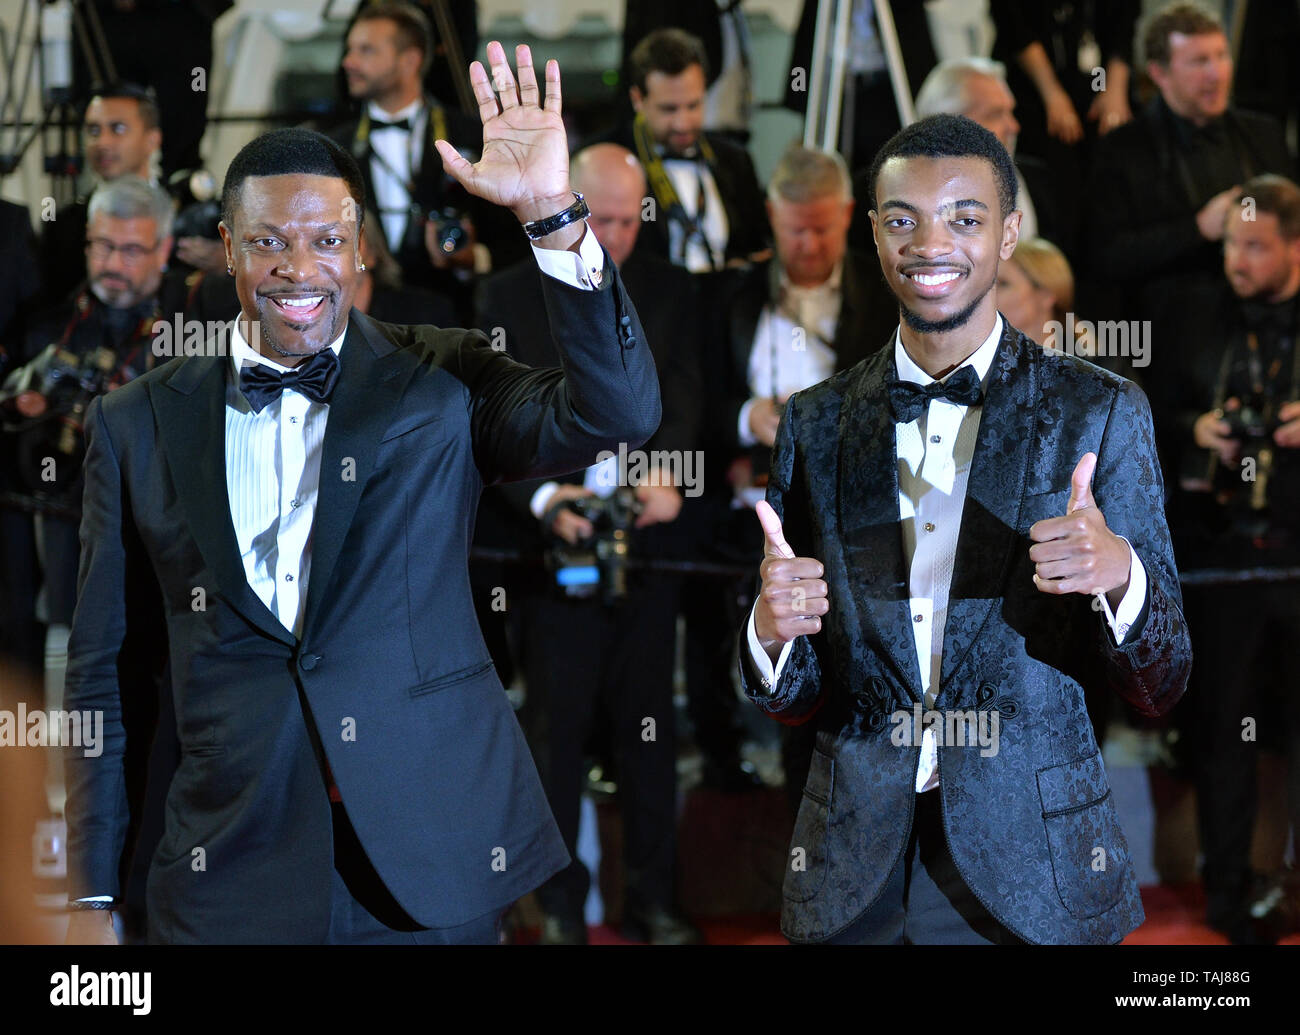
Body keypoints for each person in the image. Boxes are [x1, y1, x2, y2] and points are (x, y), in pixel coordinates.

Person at [62, 43, 661, 946]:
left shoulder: (443, 375)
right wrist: (88, 892)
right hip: (229, 870)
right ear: (226, 247)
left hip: (434, 862)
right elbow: (103, 672)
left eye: (326, 239)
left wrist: (550, 214)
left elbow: (618, 410)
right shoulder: (134, 422)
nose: (299, 269)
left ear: (361, 247)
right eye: (267, 240)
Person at [737, 114, 1191, 944]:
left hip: (1034, 869)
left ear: (1010, 232)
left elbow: (1162, 681)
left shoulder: (1097, 410)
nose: (929, 242)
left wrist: (1121, 574)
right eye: (901, 217)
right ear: (872, 232)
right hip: (852, 874)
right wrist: (770, 633)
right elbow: (797, 696)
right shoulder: (819, 421)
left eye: (964, 217)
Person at [476, 142, 702, 944]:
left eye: (627, 220)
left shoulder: (675, 291)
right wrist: (544, 497)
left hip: (648, 553)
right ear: (570, 206)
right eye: (598, 218)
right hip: (547, 559)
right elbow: (490, 420)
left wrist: (667, 480)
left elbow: (687, 398)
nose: (615, 234)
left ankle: (654, 899)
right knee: (555, 738)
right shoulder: (502, 294)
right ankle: (561, 908)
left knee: (651, 735)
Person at [703, 142, 897, 804]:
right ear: (771, 216)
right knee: (757, 669)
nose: (809, 243)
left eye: (823, 227)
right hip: (745, 517)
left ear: (851, 215)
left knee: (847, 691)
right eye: (795, 229)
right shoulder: (732, 292)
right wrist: (744, 416)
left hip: (859, 524)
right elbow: (695, 396)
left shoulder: (886, 291)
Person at [1146, 173, 1300, 943]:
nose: (1238, 258)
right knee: (1225, 729)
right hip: (1219, 556)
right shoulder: (1195, 311)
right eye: (1233, 242)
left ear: (1295, 248)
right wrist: (1196, 429)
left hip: (1297, 549)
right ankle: (1230, 895)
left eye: (1257, 246)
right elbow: (1149, 403)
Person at [1087, 1, 1293, 329]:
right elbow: (1106, 259)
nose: (1216, 73)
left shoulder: (1263, 133)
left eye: (1221, 56)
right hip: (1173, 327)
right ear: (1159, 73)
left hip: (1273, 317)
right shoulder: (1123, 149)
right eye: (1199, 61)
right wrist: (1197, 228)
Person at [328, 1, 525, 320]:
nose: (348, 62)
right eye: (350, 49)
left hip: (453, 323)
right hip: (360, 321)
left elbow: (516, 241)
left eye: (366, 51)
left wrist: (472, 257)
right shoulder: (333, 147)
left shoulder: (475, 136)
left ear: (409, 61)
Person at [591, 28, 768, 273]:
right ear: (637, 100)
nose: (683, 123)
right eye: (669, 109)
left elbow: (757, 245)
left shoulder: (735, 160)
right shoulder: (604, 161)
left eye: (693, 105)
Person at [911, 58, 1067, 258]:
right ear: (947, 124)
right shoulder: (894, 194)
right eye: (995, 114)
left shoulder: (1040, 180)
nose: (1013, 127)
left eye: (1010, 112)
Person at [39, 84, 164, 308]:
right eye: (93, 131)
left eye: (117, 129)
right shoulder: (62, 228)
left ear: (152, 140)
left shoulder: (187, 214)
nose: (102, 143)